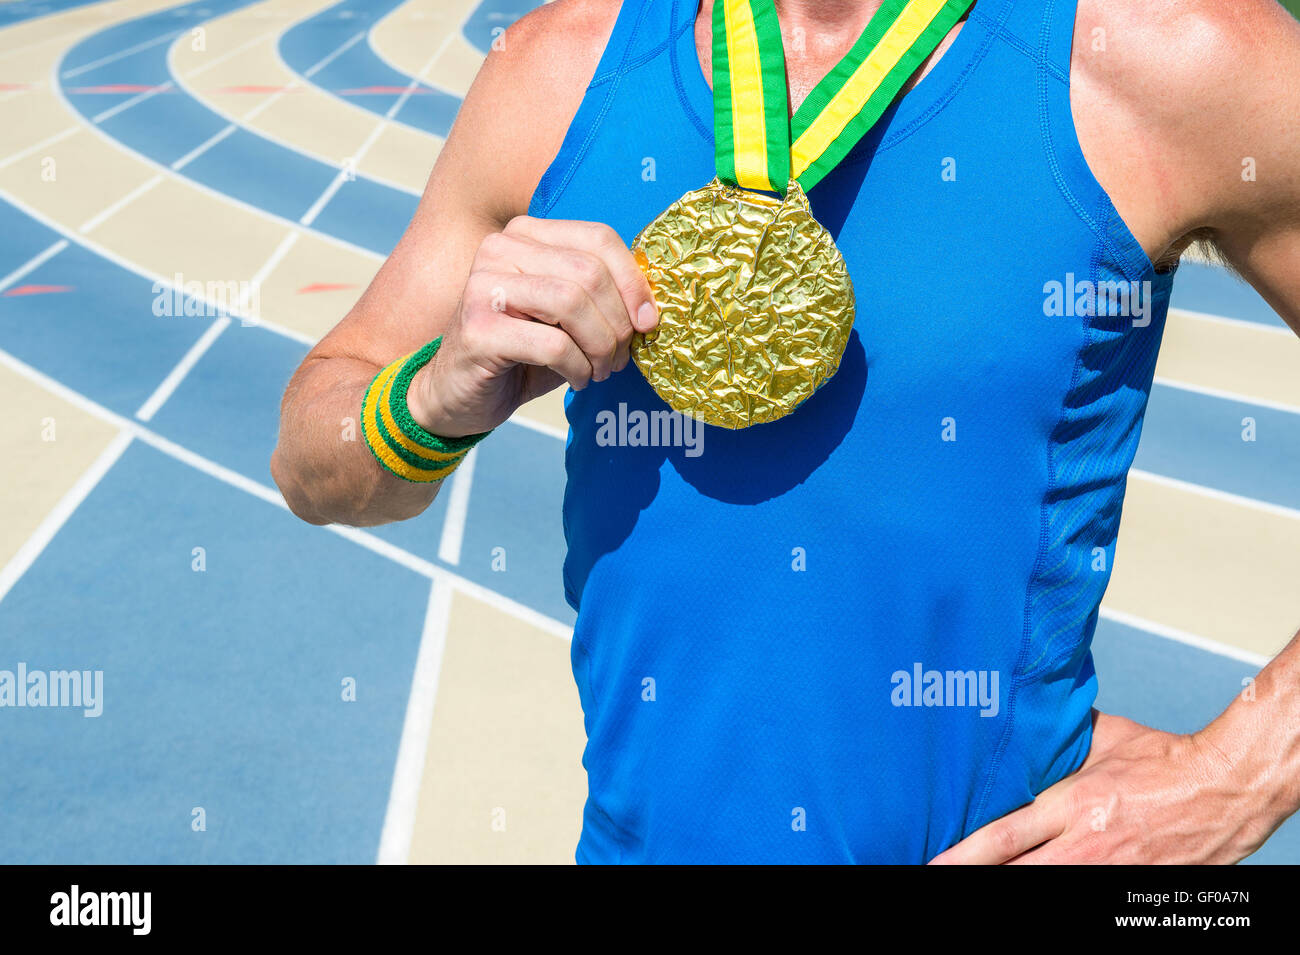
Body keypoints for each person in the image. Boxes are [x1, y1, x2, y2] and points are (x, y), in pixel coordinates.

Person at [271, 0, 1300, 863]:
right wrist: (430, 394)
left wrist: (1238, 773)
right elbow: (314, 464)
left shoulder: (1163, 55)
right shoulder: (557, 69)